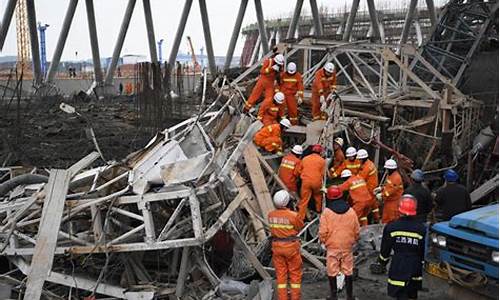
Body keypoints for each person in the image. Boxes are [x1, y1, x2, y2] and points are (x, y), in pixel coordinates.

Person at [371, 195, 426, 300]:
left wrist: (382, 263)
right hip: (415, 265)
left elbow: (385, 251)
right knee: (412, 292)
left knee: (400, 292)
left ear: (400, 211)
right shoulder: (421, 228)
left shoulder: (392, 227)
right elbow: (422, 250)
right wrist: (421, 263)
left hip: (399, 264)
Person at [319, 186, 359, 300]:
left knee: (332, 271)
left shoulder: (327, 212)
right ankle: (350, 296)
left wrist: (323, 241)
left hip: (332, 246)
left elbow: (323, 231)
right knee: (348, 270)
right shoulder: (351, 211)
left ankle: (333, 295)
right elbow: (356, 229)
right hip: (347, 245)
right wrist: (355, 240)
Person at [268, 190, 304, 300]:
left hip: (277, 248)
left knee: (281, 276)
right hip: (291, 248)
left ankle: (283, 298)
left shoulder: (271, 215)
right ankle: (295, 298)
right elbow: (299, 227)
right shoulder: (293, 216)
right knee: (294, 275)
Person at [296, 144, 326, 220]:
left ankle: (300, 218)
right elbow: (322, 174)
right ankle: (319, 212)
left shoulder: (305, 159)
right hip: (316, 182)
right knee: (318, 197)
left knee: (304, 201)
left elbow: (298, 171)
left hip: (306, 181)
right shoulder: (322, 161)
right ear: (320, 152)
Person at [375, 159, 404, 224]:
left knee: (392, 220)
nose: (386, 170)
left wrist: (381, 195)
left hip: (394, 203)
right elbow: (388, 186)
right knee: (385, 219)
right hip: (388, 202)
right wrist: (381, 188)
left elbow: (391, 191)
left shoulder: (396, 178)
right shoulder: (390, 176)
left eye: (387, 169)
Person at [357, 149, 380, 223]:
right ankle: (377, 220)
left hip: (368, 191)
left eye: (360, 159)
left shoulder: (367, 167)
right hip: (372, 190)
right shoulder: (369, 164)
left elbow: (360, 179)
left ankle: (365, 227)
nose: (359, 161)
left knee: (363, 213)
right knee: (374, 207)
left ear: (363, 158)